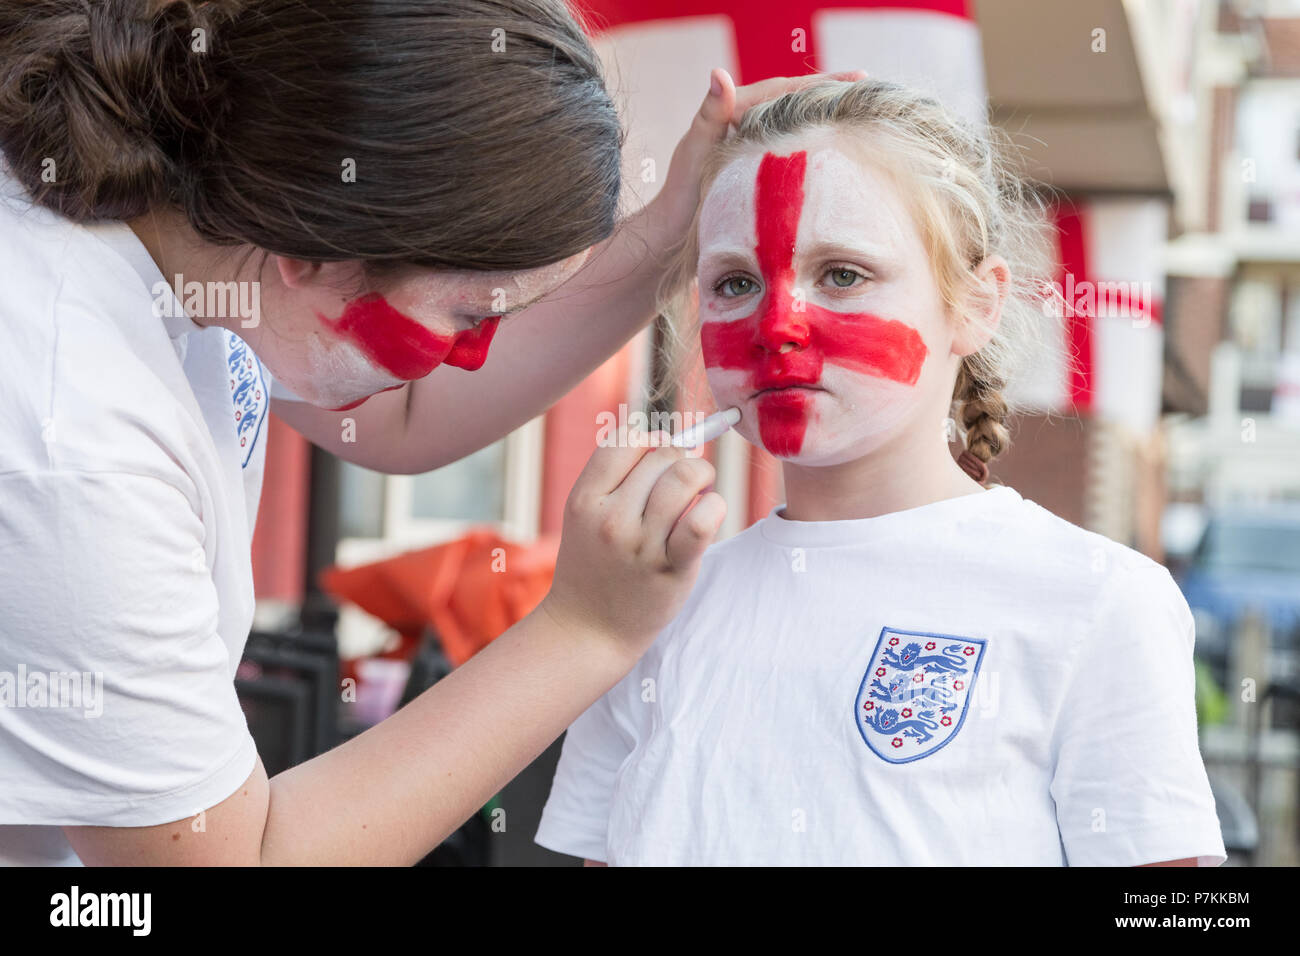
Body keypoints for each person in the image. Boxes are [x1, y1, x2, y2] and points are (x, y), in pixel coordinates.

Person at [0, 0, 860, 865]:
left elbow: (399, 420)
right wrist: (587, 629)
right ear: (318, 252)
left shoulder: (205, 228)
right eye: (469, 313)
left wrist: (671, 226)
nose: (476, 356)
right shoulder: (67, 430)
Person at [535, 78, 1229, 866]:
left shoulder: (1100, 598)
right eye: (735, 283)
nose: (778, 328)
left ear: (975, 304)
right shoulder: (644, 601)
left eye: (843, 273)